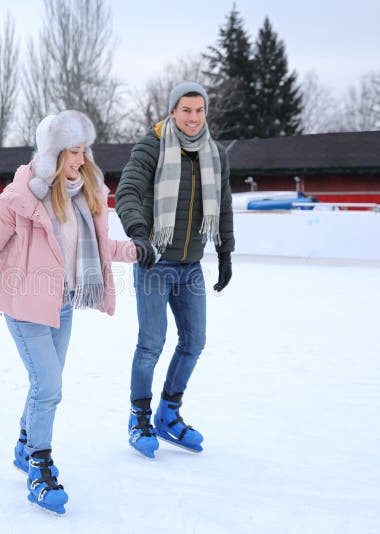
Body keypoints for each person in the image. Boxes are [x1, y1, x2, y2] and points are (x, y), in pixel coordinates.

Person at [0, 110, 137, 514]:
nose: (80, 159)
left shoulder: (86, 195)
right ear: (53, 153)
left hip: (63, 304)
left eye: (82, 151)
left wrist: (136, 251)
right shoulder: (21, 197)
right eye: (72, 152)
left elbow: (98, 247)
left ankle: (24, 446)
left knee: (44, 385)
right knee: (50, 387)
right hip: (24, 307)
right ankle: (39, 465)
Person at [115, 81, 235, 459]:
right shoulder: (151, 146)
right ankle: (139, 418)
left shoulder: (215, 154)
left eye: (199, 110)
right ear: (173, 111)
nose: (193, 118)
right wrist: (138, 233)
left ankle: (169, 413)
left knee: (194, 342)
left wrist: (226, 251)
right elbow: (127, 191)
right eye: (186, 110)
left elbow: (225, 204)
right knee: (151, 344)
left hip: (191, 266)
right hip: (155, 261)